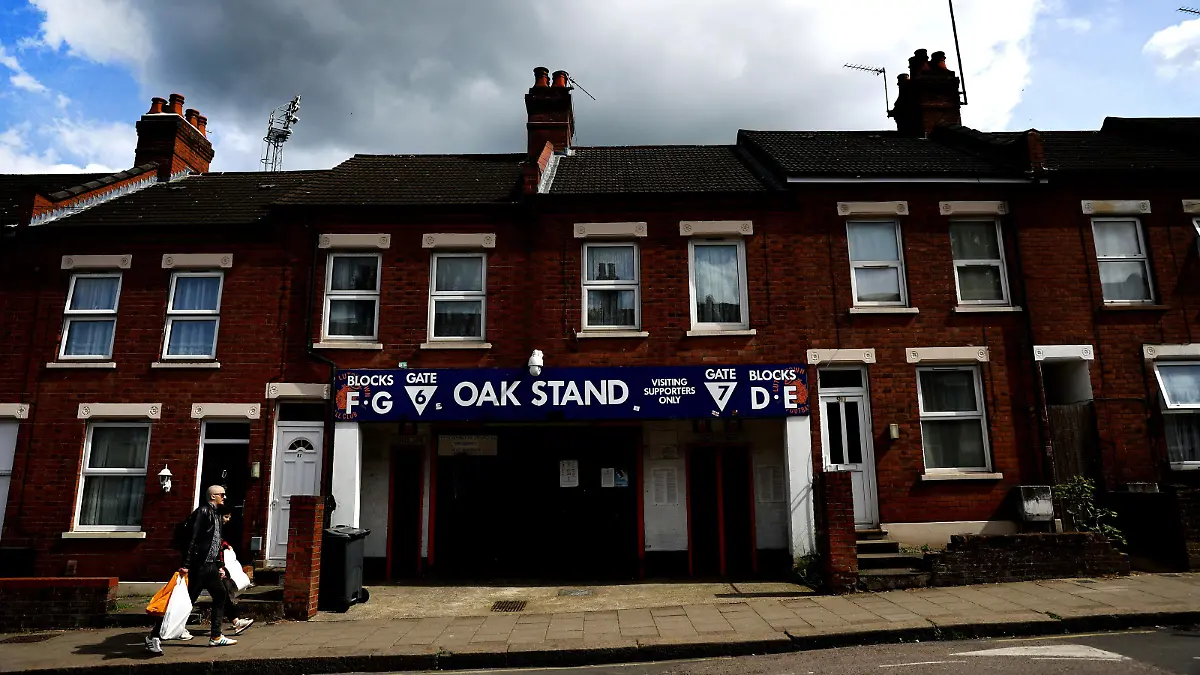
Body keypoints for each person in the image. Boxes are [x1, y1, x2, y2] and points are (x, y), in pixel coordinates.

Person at [145, 485, 237, 654]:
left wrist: (218, 565)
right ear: (212, 497)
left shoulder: (217, 515)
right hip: (197, 567)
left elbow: (214, 543)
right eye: (221, 495)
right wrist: (186, 565)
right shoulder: (203, 512)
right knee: (182, 603)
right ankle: (153, 637)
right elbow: (193, 539)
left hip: (209, 567)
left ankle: (216, 637)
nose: (224, 497)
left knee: (220, 595)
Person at [218, 510, 254, 636]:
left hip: (212, 569)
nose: (228, 520)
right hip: (205, 569)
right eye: (226, 516)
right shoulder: (211, 525)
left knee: (222, 595)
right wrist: (219, 567)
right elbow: (209, 547)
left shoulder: (217, 528)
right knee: (191, 596)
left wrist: (225, 545)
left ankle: (234, 623)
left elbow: (217, 543)